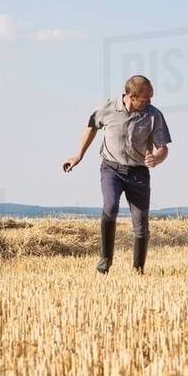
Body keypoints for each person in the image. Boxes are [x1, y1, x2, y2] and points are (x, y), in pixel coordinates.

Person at [62, 75, 171, 274]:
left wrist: (156, 158)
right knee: (110, 207)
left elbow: (163, 148)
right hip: (111, 169)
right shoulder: (108, 108)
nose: (149, 102)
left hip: (139, 173)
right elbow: (91, 127)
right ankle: (105, 261)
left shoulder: (154, 115)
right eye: (145, 99)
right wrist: (78, 155)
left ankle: (138, 269)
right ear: (130, 96)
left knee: (140, 225)